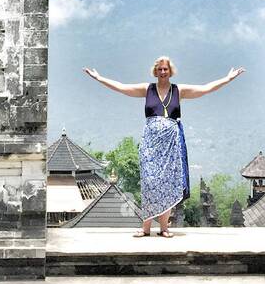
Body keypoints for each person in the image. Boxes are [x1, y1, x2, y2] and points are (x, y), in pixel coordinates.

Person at [83, 57, 244, 237]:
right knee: (149, 181)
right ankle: (146, 228)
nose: (162, 72)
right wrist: (99, 78)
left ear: (170, 71)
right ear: (155, 71)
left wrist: (228, 79)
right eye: (159, 69)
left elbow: (205, 89)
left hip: (171, 145)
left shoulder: (179, 90)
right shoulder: (147, 89)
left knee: (168, 183)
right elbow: (121, 87)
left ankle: (164, 228)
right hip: (150, 144)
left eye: (165, 69)